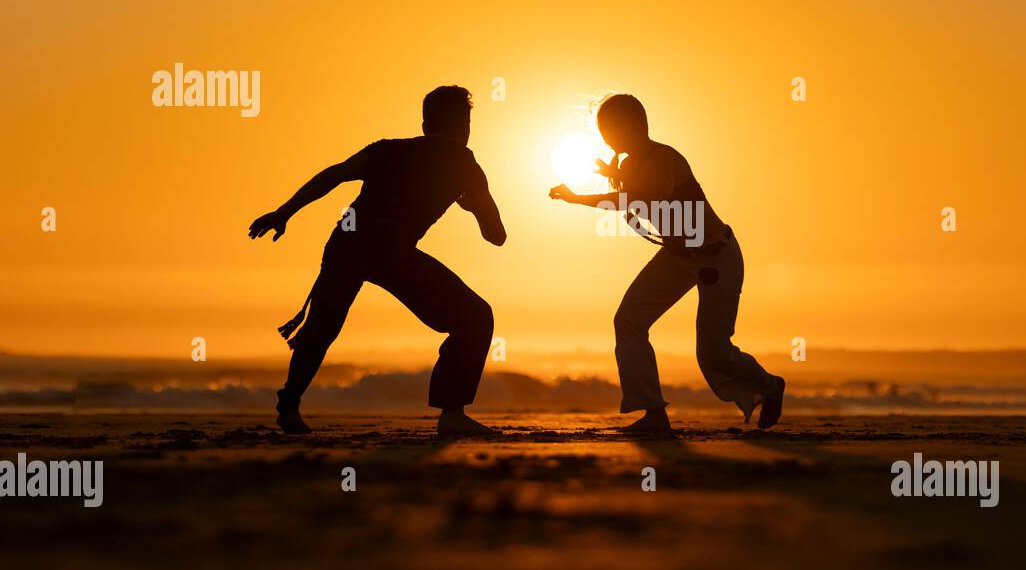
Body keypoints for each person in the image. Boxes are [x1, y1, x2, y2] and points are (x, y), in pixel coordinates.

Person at [248, 86, 506, 436]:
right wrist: (474, 205)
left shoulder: (389, 149)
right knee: (475, 317)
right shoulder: (465, 165)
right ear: (465, 124)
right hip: (391, 251)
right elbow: (496, 236)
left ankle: (289, 404)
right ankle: (452, 414)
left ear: (425, 123)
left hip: (348, 241)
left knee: (323, 326)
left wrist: (285, 212)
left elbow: (334, 174)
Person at [549, 93, 784, 434]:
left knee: (713, 352)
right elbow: (636, 193)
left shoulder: (664, 159)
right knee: (629, 319)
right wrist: (614, 174)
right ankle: (653, 414)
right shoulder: (630, 164)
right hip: (676, 257)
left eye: (608, 128)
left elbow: (643, 198)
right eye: (602, 129)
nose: (604, 136)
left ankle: (770, 385)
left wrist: (578, 198)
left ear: (632, 125)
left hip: (716, 256)